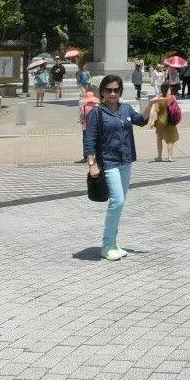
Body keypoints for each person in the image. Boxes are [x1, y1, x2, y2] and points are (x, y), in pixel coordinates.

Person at [83, 75, 148, 260]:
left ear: (120, 91)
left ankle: (113, 242)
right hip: (109, 162)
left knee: (119, 204)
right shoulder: (96, 113)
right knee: (117, 202)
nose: (112, 93)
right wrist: (91, 164)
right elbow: (89, 140)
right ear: (102, 92)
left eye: (116, 90)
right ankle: (107, 245)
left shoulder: (126, 108)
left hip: (126, 161)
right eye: (109, 90)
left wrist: (151, 105)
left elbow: (141, 120)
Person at [143, 82, 180, 161]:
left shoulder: (158, 98)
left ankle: (159, 156)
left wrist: (153, 121)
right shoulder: (172, 97)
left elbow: (156, 111)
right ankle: (170, 157)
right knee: (171, 140)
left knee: (159, 139)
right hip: (170, 121)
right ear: (169, 89)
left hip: (160, 121)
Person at [75, 84, 98, 163]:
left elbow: (81, 117)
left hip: (85, 127)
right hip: (95, 127)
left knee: (86, 142)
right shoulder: (96, 107)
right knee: (95, 141)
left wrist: (81, 120)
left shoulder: (83, 107)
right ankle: (95, 157)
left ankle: (86, 157)